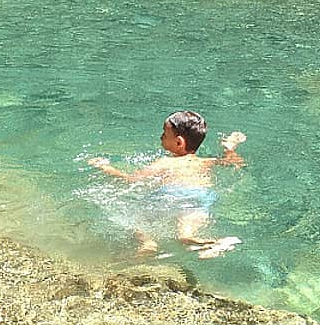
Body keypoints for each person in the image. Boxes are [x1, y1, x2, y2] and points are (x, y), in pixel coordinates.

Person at [89, 110, 246, 258]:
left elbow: (131, 179)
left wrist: (105, 167)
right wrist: (229, 149)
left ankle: (147, 241)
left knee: (133, 217)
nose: (161, 137)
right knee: (185, 235)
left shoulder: (165, 162)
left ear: (179, 142)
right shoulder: (205, 162)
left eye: (164, 134)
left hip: (172, 194)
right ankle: (212, 243)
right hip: (202, 195)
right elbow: (235, 164)